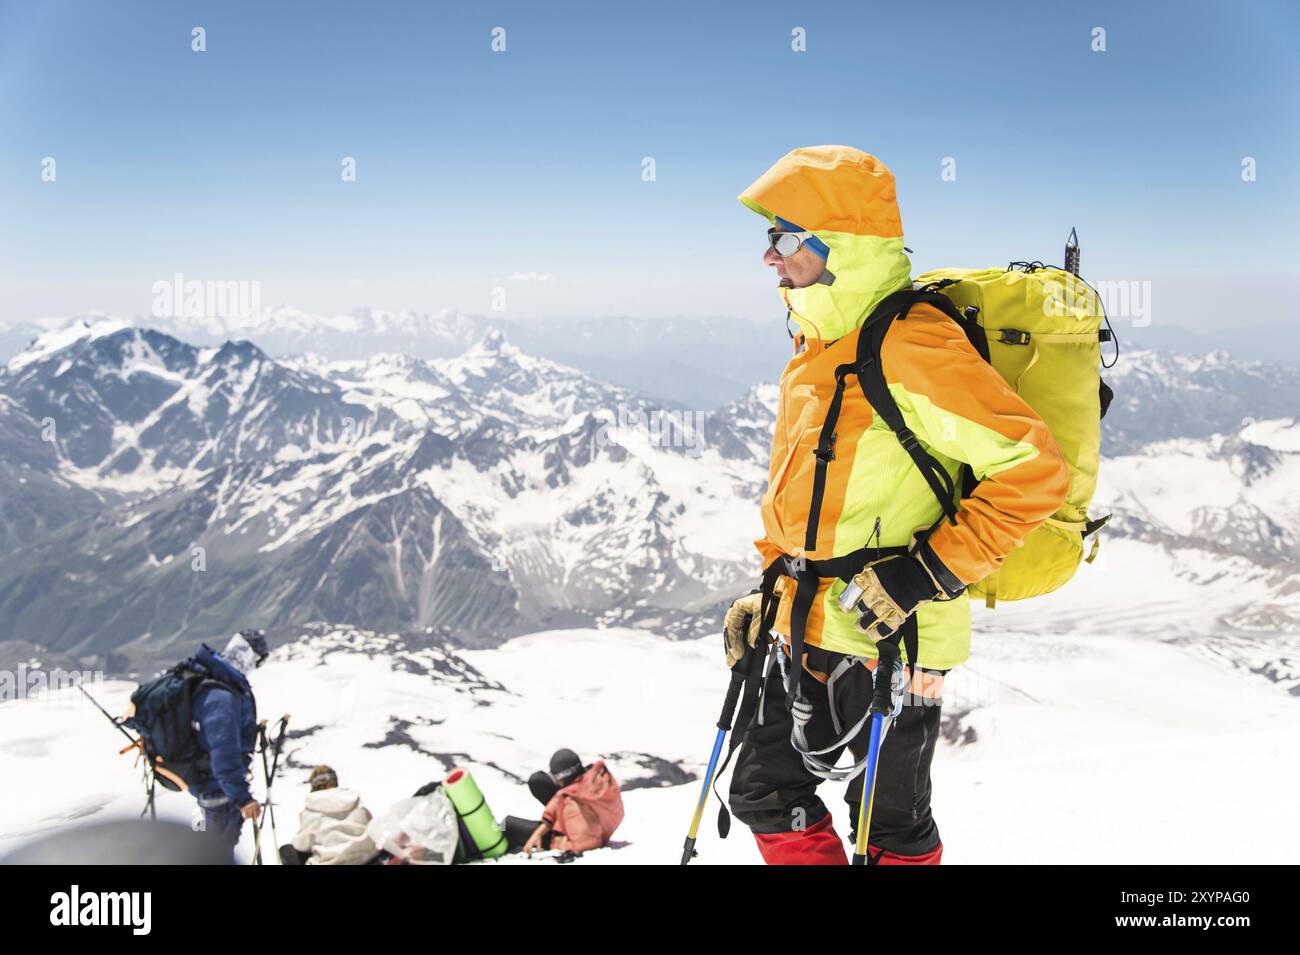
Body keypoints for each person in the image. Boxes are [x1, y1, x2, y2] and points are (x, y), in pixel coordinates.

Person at [724, 146, 1069, 865]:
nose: (769, 256)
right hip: (814, 618)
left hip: (897, 635)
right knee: (763, 790)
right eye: (770, 237)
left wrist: (923, 575)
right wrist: (772, 593)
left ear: (839, 246)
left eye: (785, 237)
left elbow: (1034, 471)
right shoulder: (821, 343)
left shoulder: (911, 341)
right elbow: (803, 498)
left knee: (888, 828)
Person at [189, 630, 268, 854]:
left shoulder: (217, 682)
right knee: (217, 852)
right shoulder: (222, 695)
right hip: (218, 790)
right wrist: (243, 798)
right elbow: (223, 751)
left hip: (212, 786)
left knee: (215, 849)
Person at [502, 749, 624, 857]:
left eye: (557, 778)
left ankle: (492, 838)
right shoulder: (596, 778)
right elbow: (562, 798)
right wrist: (543, 827)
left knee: (507, 824)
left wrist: (549, 839)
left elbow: (584, 843)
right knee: (538, 780)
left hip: (577, 833)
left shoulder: (572, 802)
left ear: (565, 776)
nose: (556, 782)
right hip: (589, 819)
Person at [279, 765, 379, 865]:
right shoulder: (355, 799)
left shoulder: (312, 807)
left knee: (286, 851)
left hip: (331, 862)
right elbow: (373, 827)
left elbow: (301, 845)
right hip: (367, 860)